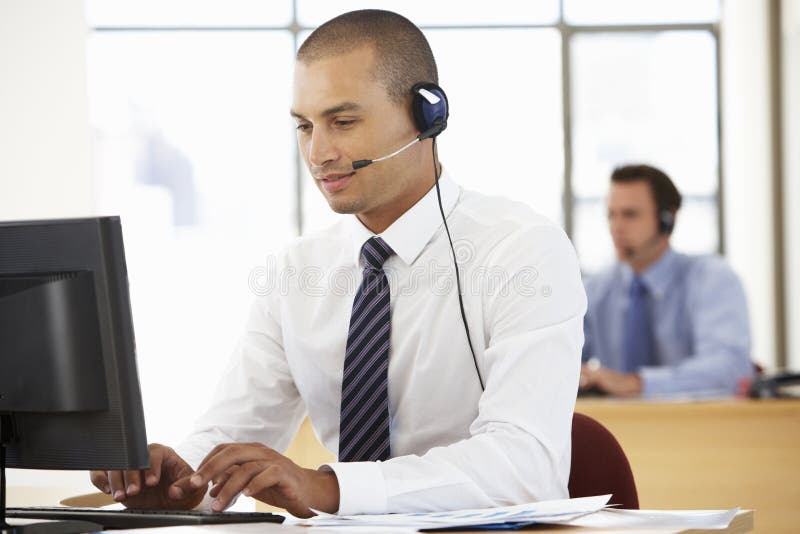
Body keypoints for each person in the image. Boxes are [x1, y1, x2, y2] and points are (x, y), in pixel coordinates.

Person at [90, 10, 586, 517]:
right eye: (304, 126)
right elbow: (233, 431)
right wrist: (182, 485)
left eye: (343, 122)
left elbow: (526, 465)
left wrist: (329, 489)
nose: (318, 153)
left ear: (425, 116)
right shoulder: (295, 272)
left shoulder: (522, 250)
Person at [579, 164, 753, 397]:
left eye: (630, 215)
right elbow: (558, 360)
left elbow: (730, 368)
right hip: (614, 419)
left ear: (667, 219)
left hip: (696, 419)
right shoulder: (594, 290)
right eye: (611, 215)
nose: (616, 227)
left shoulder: (711, 279)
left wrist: (636, 383)